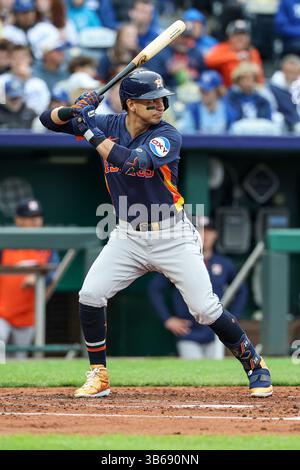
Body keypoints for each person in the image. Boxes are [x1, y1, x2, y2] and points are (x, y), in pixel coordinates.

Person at [39, 68, 273, 398]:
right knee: (90, 294)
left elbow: (135, 163)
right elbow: (47, 120)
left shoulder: (167, 134)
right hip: (128, 235)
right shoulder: (109, 124)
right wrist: (74, 109)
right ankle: (99, 375)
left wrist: (89, 128)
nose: (160, 105)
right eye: (151, 101)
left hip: (171, 234)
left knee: (204, 309)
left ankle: (256, 366)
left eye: (162, 100)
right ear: (130, 104)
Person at [148, 217, 248, 359]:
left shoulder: (224, 264)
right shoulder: (179, 261)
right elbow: (155, 289)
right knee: (194, 373)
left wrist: (232, 319)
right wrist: (167, 319)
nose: (204, 235)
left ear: (215, 234)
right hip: (188, 331)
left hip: (216, 332)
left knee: (214, 374)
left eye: (208, 231)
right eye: (200, 231)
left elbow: (241, 290)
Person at [0, 198, 59, 358]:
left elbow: (54, 275)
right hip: (2, 314)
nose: (34, 221)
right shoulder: (5, 242)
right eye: (29, 217)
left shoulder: (47, 247)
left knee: (19, 360)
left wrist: (39, 279)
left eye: (37, 216)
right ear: (18, 220)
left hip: (28, 317)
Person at [205, 19, 264, 87]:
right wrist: (235, 56)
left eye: (243, 36)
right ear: (230, 37)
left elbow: (259, 78)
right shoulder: (223, 48)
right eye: (236, 35)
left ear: (249, 38)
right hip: (226, 91)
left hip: (248, 91)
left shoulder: (253, 52)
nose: (240, 39)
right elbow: (209, 61)